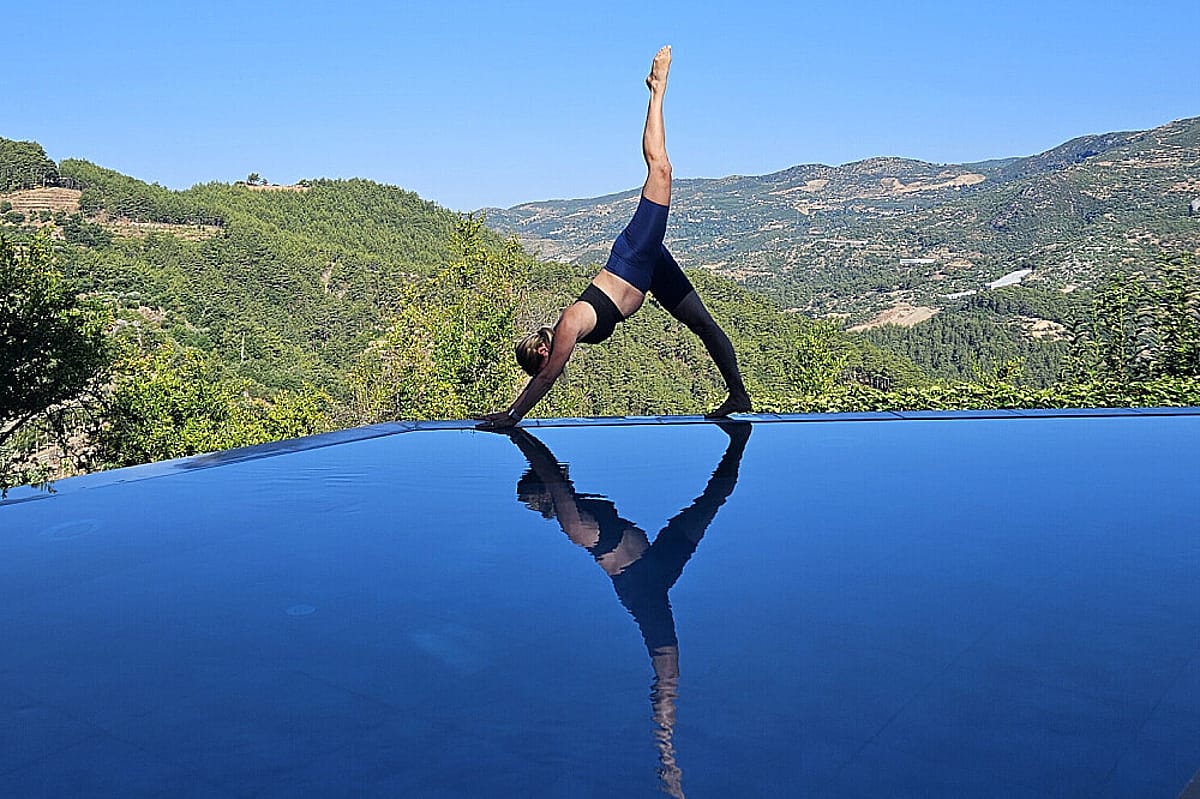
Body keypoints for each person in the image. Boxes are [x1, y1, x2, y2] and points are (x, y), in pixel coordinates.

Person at [476, 46, 751, 430]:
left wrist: (511, 415)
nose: (554, 365)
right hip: (647, 272)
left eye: (545, 362)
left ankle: (658, 88)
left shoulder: (569, 323)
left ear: (542, 350)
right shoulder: (569, 331)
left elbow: (547, 377)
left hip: (634, 258)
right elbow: (546, 376)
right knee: (703, 323)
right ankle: (738, 393)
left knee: (661, 168)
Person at [503, 422, 751, 797]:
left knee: (714, 497)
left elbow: (556, 476)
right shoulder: (573, 524)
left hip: (658, 563)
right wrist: (518, 434)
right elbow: (553, 475)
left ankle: (739, 438)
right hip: (642, 587)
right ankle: (667, 759)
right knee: (667, 673)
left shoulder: (573, 507)